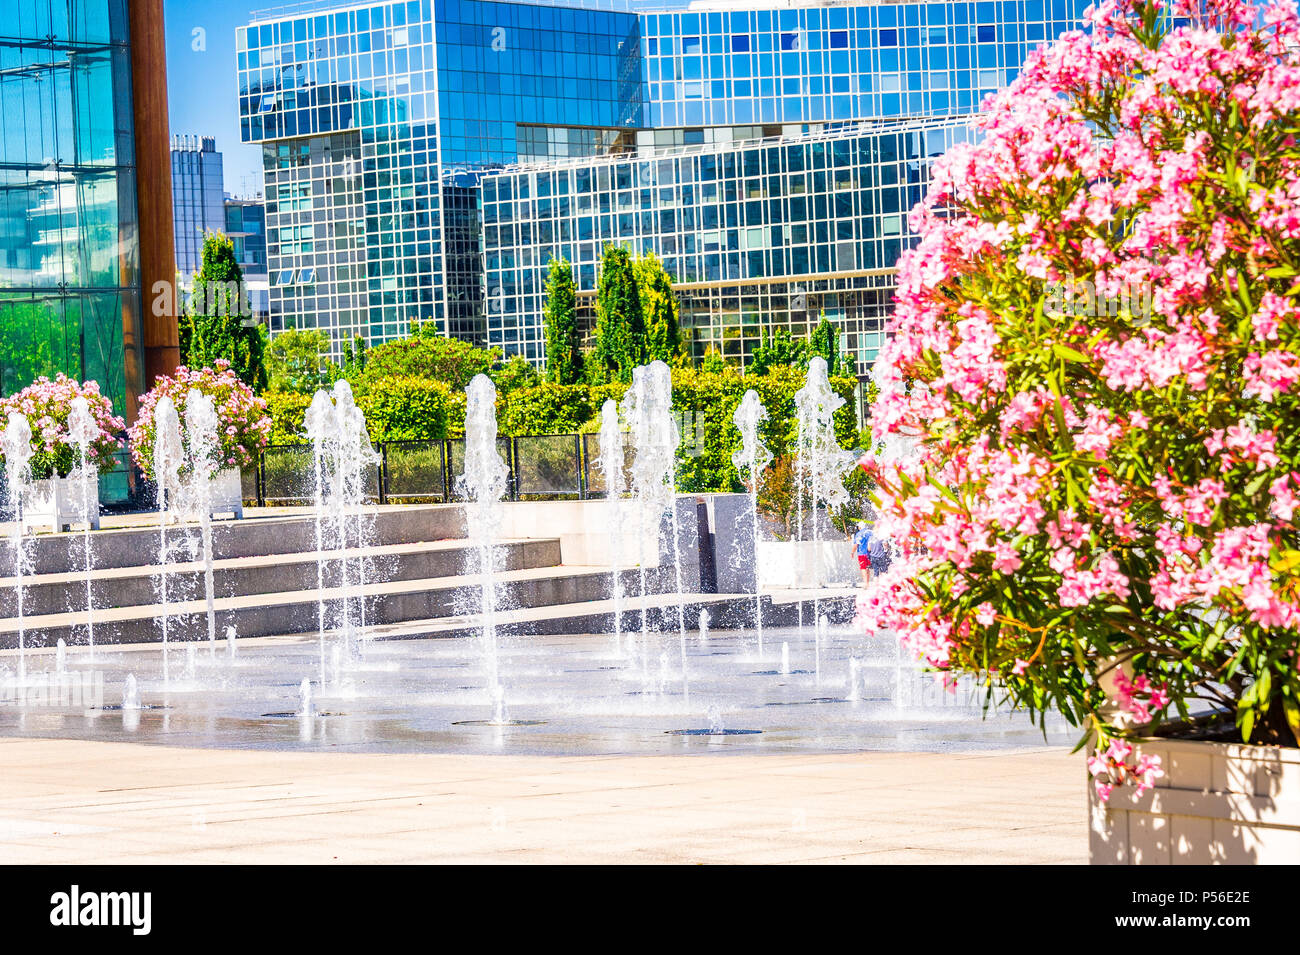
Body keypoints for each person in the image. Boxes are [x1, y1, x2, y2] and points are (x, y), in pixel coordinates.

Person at [854, 522, 873, 587]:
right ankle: (868, 583)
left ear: (860, 527)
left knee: (863, 568)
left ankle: (865, 584)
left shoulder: (859, 534)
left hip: (861, 553)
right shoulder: (870, 532)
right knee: (867, 568)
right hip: (869, 553)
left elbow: (856, 544)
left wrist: (852, 552)